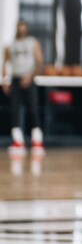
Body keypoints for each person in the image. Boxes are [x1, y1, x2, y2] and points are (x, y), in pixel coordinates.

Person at [2, 20, 45, 155]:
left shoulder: (33, 42)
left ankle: (37, 141)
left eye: (23, 28)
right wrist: (5, 80)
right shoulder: (10, 45)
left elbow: (39, 62)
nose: (21, 31)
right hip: (15, 78)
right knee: (14, 109)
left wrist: (30, 76)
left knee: (33, 108)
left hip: (29, 78)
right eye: (19, 28)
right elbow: (4, 63)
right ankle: (17, 141)